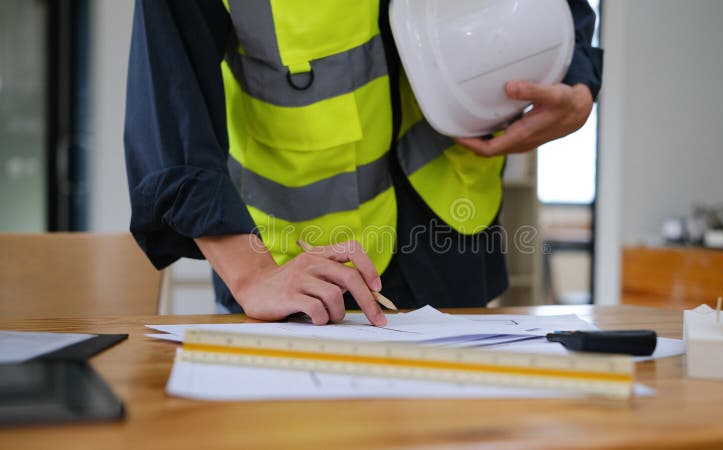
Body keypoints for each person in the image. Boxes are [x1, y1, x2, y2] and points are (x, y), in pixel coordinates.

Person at [124, 0, 603, 326]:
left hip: (453, 238)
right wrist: (250, 273)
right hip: (301, 272)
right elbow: (169, 101)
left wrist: (578, 78)